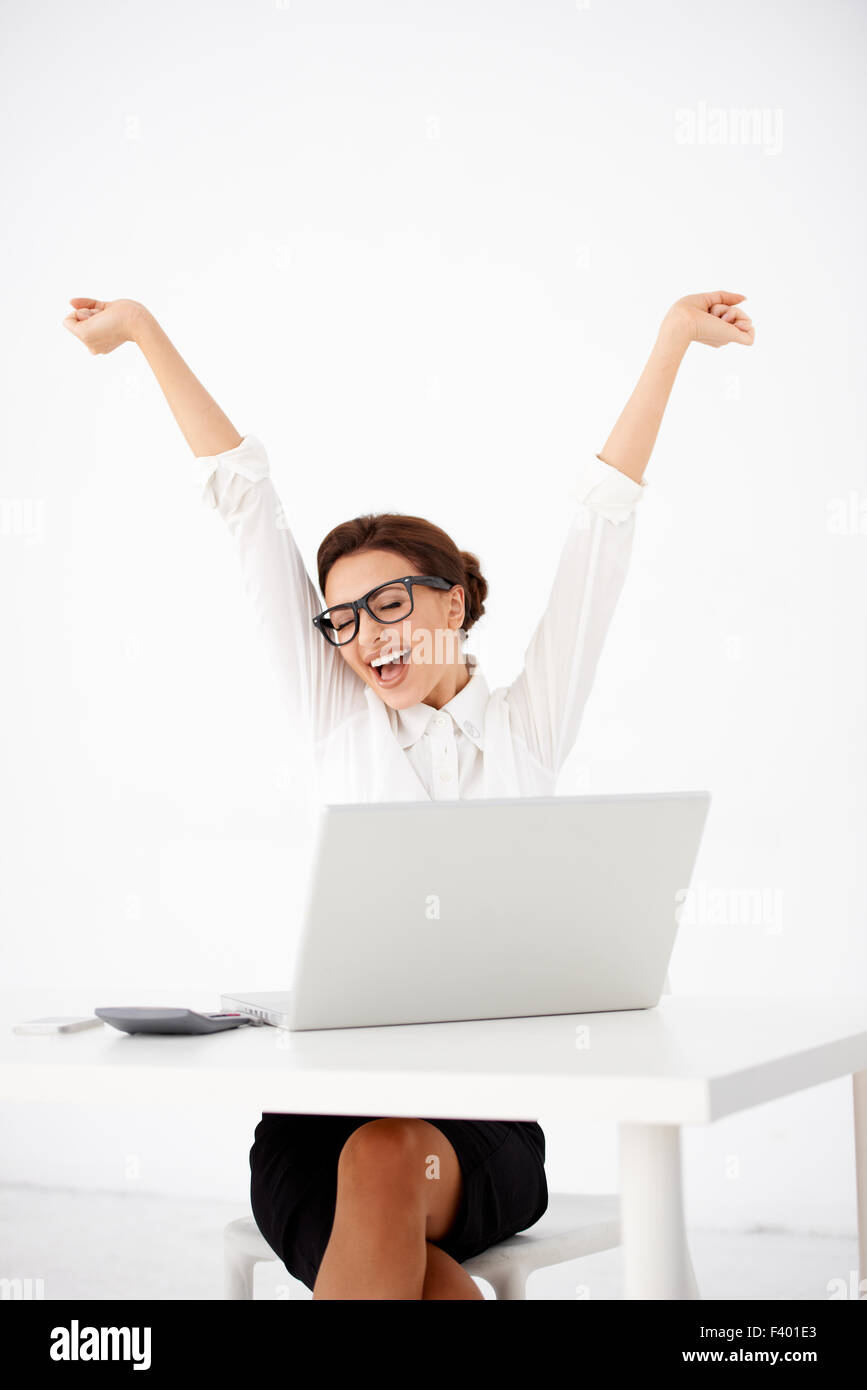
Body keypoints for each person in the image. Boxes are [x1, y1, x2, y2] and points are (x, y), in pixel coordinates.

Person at [63, 289, 754, 1300]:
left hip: (473, 1132)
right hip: (317, 1122)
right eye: (342, 619)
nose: (366, 637)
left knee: (390, 1163)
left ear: (455, 600)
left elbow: (601, 528)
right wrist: (141, 332)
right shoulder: (336, 719)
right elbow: (246, 500)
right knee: (410, 1250)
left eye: (388, 604)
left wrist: (671, 344)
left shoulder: (527, 725)